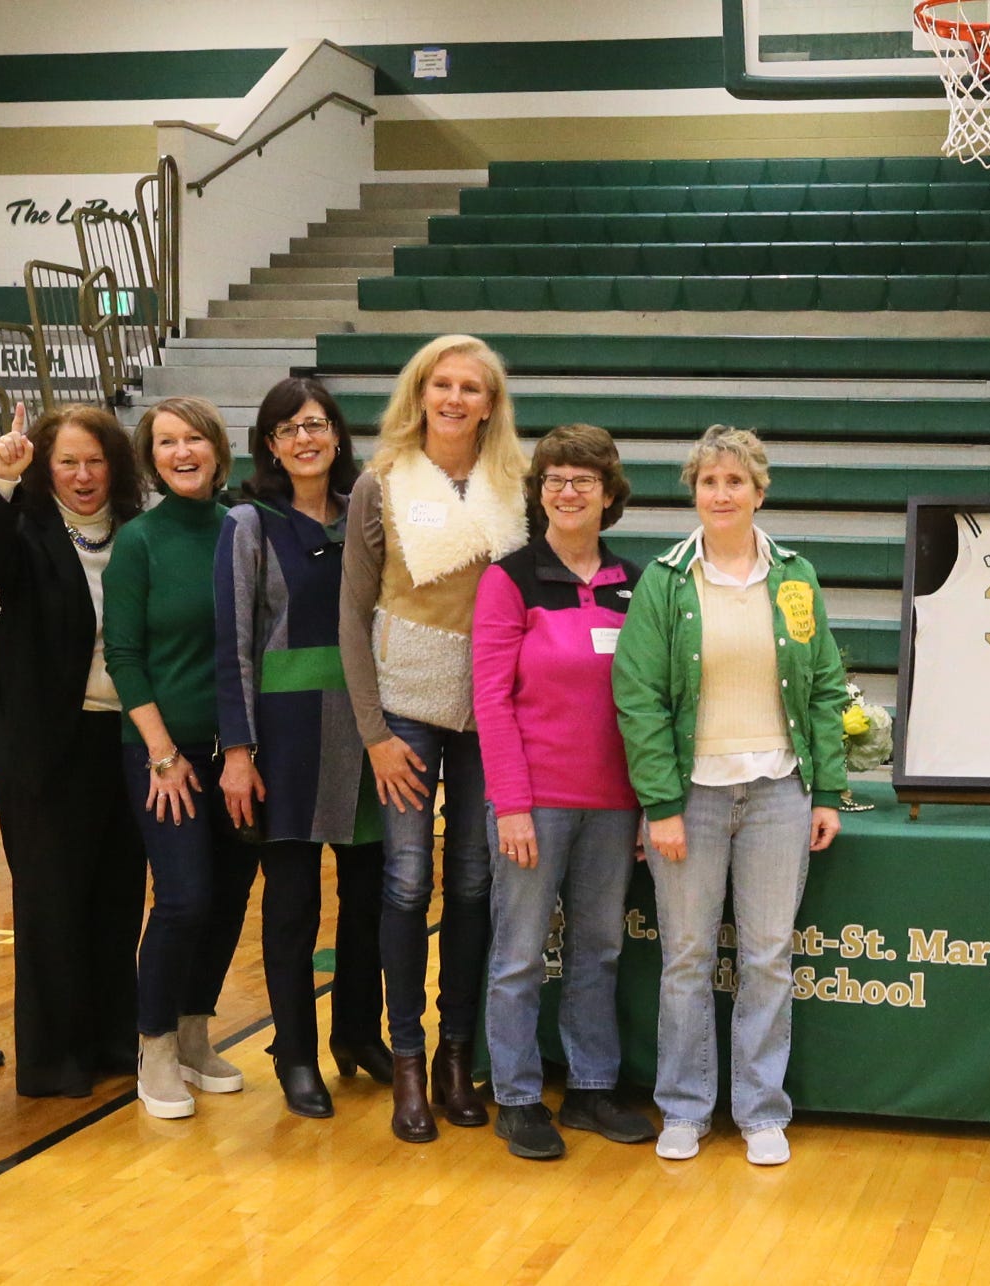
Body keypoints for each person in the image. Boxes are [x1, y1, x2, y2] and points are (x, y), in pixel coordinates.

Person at [614, 425, 849, 1167]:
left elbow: (825, 687)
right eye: (710, 481)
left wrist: (828, 790)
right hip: (693, 799)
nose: (722, 493)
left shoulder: (796, 577)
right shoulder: (665, 581)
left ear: (759, 492)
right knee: (685, 957)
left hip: (778, 793)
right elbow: (639, 698)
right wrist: (661, 805)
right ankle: (684, 1108)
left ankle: (760, 1111)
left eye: (736, 481)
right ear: (694, 492)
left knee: (769, 957)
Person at [339, 334, 528, 1142]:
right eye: (441, 384)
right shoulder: (379, 482)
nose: (454, 398)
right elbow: (351, 615)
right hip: (404, 706)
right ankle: (408, 1061)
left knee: (476, 883)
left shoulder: (516, 485)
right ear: (420, 394)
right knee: (408, 882)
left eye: (470, 388)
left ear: (490, 404)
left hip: (491, 707)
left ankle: (457, 1056)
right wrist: (374, 733)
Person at [473, 423, 657, 1160]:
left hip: (613, 805)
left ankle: (590, 1088)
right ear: (539, 491)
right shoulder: (509, 579)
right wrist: (512, 805)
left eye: (583, 479)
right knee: (519, 954)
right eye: (554, 479)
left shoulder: (636, 583)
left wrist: (647, 803)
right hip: (535, 802)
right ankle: (517, 1098)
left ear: (609, 493)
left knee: (599, 951)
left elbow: (648, 701)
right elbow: (491, 699)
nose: (568, 491)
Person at [215, 378, 389, 1119]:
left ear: (337, 435)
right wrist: (238, 750)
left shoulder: (367, 517)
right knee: (292, 905)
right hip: (284, 736)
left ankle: (357, 1033)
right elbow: (233, 645)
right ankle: (294, 1052)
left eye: (315, 424)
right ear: (271, 446)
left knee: (369, 897)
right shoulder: (248, 523)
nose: (304, 439)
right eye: (287, 430)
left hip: (367, 727)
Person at [0, 402, 147, 1098]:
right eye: (68, 461)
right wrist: (0, 481)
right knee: (51, 899)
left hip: (124, 737)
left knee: (117, 893)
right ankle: (54, 1057)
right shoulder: (23, 524)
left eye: (95, 460)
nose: (82, 474)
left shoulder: (136, 529)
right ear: (46, 467)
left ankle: (113, 1039)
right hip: (41, 740)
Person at [103, 395, 257, 1120]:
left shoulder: (242, 531)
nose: (182, 452)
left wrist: (243, 749)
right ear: (151, 458)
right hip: (164, 754)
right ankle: (156, 1045)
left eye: (194, 438)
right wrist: (163, 756)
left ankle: (196, 1033)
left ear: (218, 449)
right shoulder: (139, 541)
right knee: (185, 896)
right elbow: (124, 656)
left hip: (240, 752)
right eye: (166, 442)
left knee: (229, 895)